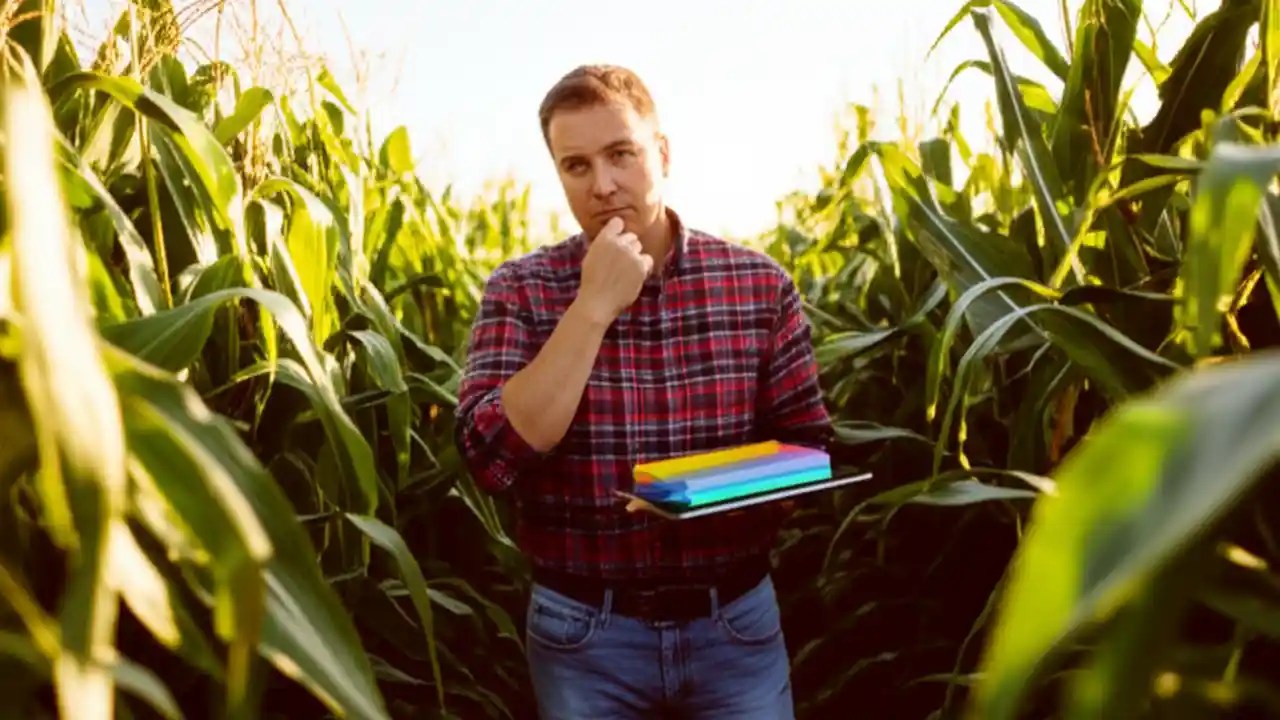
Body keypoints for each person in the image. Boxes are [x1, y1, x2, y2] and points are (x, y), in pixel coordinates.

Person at [453, 63, 832, 719]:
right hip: (582, 638)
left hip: (735, 627)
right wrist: (592, 307)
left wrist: (694, 490)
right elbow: (491, 457)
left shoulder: (757, 286)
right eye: (576, 166)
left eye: (620, 154)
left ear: (661, 153)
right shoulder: (521, 290)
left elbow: (810, 454)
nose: (602, 185)